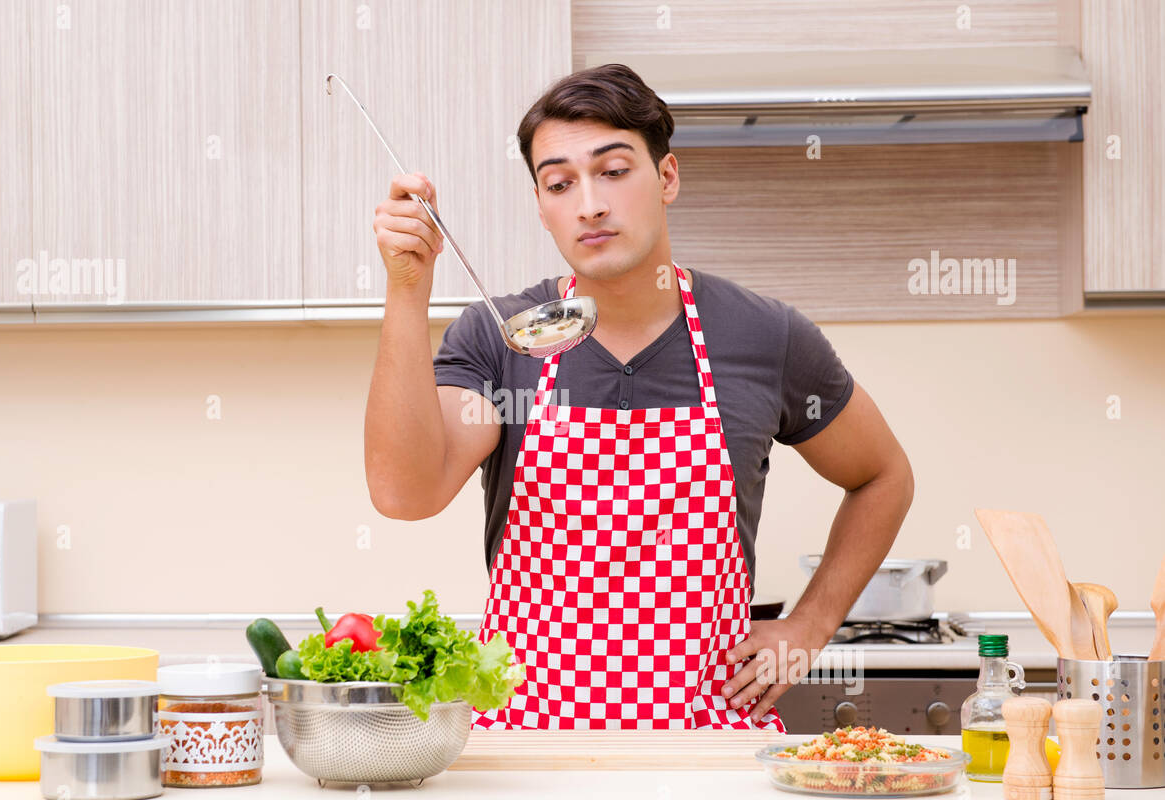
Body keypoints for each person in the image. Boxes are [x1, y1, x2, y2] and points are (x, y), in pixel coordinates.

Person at [364, 63, 914, 730]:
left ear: (668, 177)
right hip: (530, 756)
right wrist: (406, 290)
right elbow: (404, 493)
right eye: (560, 183)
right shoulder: (501, 337)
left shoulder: (765, 335)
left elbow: (883, 475)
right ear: (542, 207)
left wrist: (811, 623)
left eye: (614, 170)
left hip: (706, 750)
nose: (589, 203)